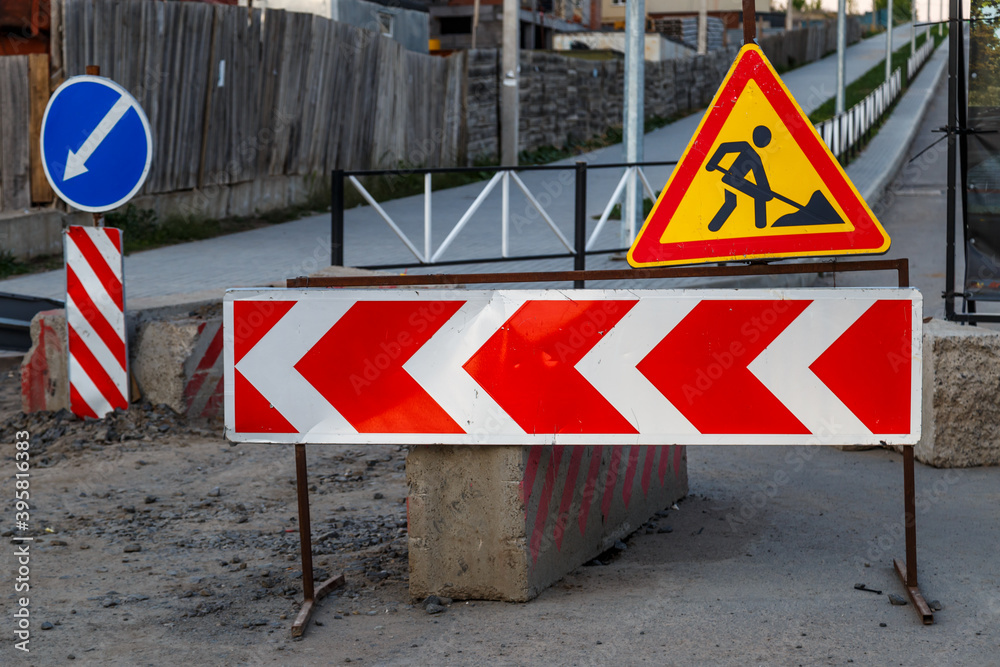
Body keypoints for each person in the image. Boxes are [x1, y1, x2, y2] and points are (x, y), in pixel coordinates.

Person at [704, 125, 773, 232]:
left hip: (737, 182)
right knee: (731, 203)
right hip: (730, 179)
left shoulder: (756, 158)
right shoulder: (746, 147)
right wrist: (712, 164)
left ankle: (761, 226)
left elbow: (761, 182)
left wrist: (766, 193)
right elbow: (724, 148)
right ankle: (712, 228)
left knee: (758, 195)